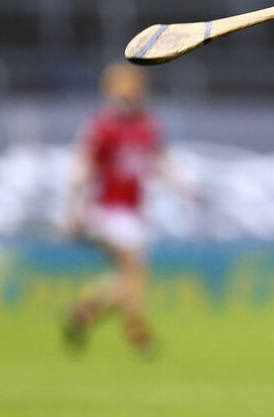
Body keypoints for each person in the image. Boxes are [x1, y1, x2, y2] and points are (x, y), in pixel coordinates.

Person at [62, 62, 190, 356]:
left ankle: (85, 311)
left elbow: (158, 163)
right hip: (106, 210)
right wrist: (74, 210)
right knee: (133, 269)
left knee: (126, 279)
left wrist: (184, 187)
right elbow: (83, 169)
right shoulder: (103, 127)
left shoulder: (147, 126)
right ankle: (136, 331)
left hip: (133, 213)